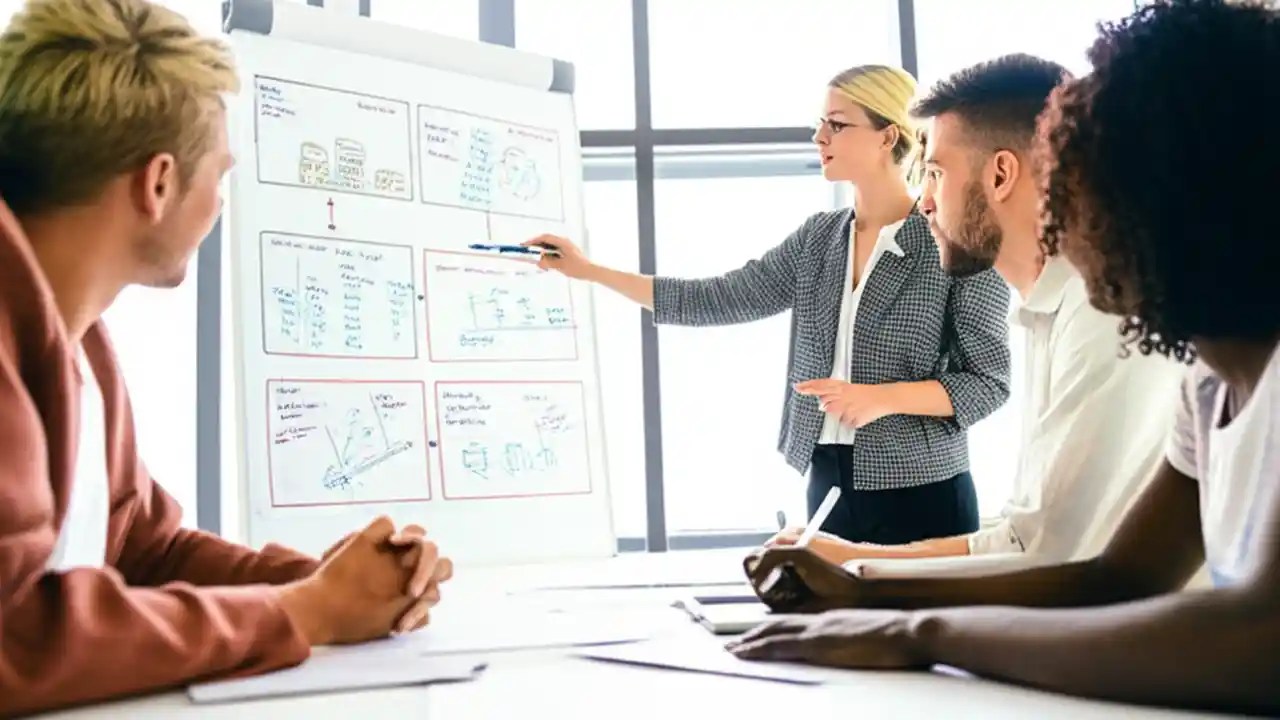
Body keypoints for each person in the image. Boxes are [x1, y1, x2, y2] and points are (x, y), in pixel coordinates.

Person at [732, 0, 1280, 714]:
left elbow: (1261, 638)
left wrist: (916, 629)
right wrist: (868, 592)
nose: (1059, 221)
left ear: (1174, 196)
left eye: (1084, 190)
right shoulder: (1209, 382)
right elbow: (1117, 576)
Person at [0, 1, 452, 715]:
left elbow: (146, 553)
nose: (219, 200)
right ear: (157, 184)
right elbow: (14, 633)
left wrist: (323, 582)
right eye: (221, 173)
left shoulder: (78, 345)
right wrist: (303, 611)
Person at [526, 65, 1011, 545]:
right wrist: (588, 271)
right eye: (820, 123)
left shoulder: (952, 242)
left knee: (924, 625)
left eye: (837, 124)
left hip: (924, 489)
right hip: (827, 482)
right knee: (831, 622)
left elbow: (988, 383)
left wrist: (881, 398)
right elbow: (717, 298)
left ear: (888, 137)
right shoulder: (818, 240)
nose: (819, 136)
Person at [766, 55, 1186, 570]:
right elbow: (1029, 537)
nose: (924, 203)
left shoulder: (1101, 316)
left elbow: (1050, 559)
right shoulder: (1049, 310)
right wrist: (857, 562)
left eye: (936, 173)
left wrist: (866, 576)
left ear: (1001, 174)